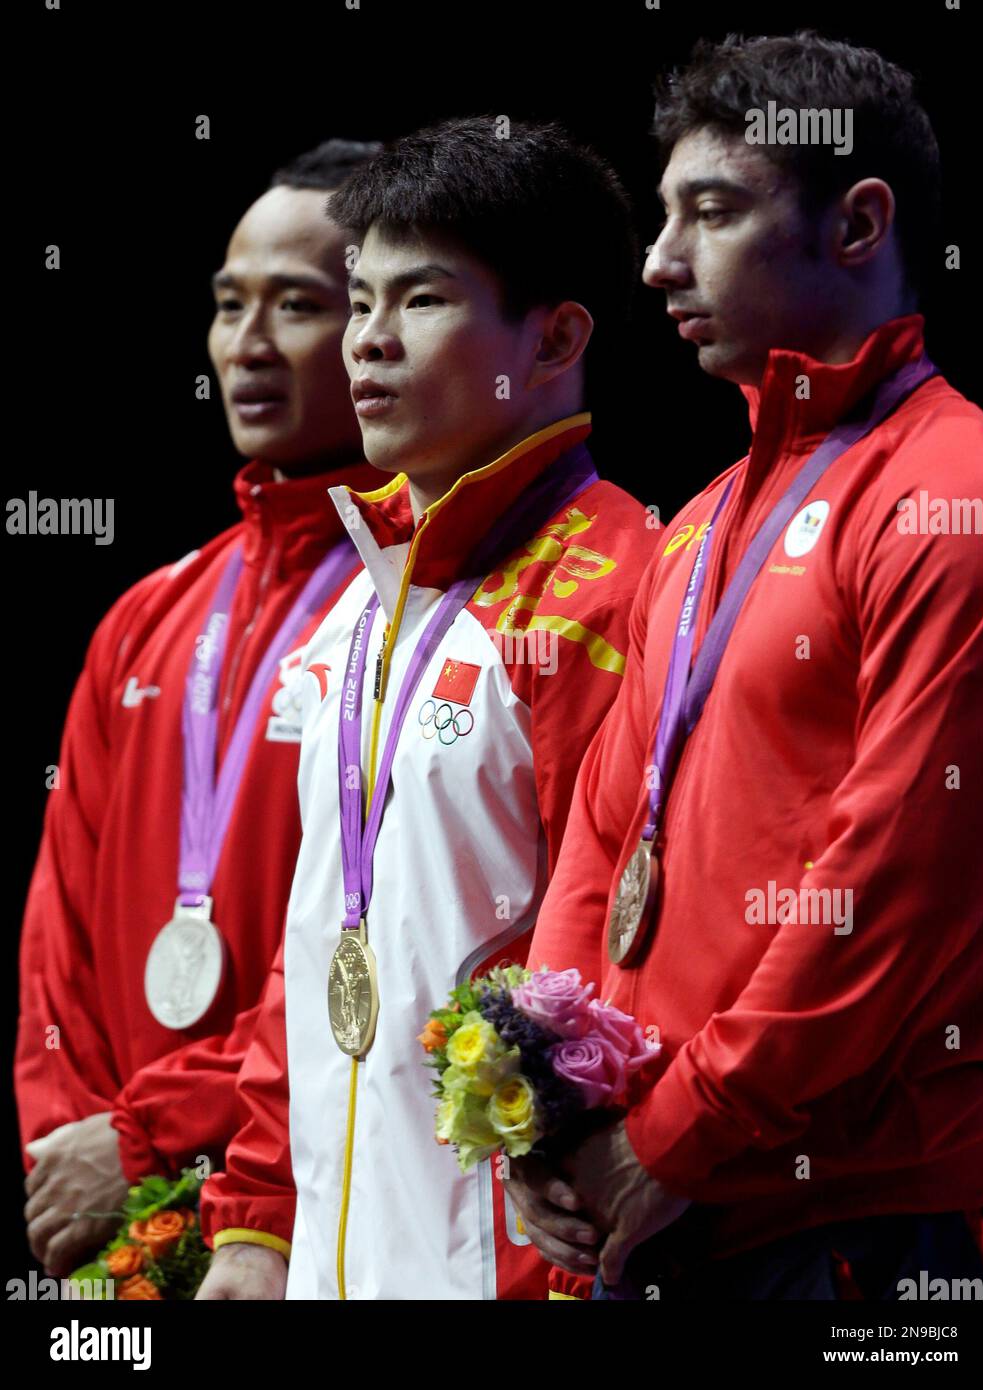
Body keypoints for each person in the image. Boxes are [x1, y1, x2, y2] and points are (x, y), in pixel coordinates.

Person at [507, 32, 983, 1300]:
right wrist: (548, 1110)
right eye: (663, 215)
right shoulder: (700, 522)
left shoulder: (963, 495)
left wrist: (675, 1134)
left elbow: (895, 889)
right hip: (659, 1202)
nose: (658, 260)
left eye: (713, 212)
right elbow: (600, 845)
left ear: (858, 224)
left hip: (845, 1221)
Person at [196, 115, 659, 1300]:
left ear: (554, 336)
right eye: (358, 301)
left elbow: (638, 965)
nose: (368, 344)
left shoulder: (620, 591)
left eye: (424, 301)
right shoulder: (359, 607)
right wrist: (255, 1222)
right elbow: (319, 944)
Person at [17, 138, 384, 1276]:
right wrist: (73, 1152)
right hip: (115, 1208)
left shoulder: (418, 617)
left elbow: (387, 952)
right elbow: (54, 950)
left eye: (298, 306)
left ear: (379, 327)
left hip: (321, 1198)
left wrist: (148, 1139)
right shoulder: (148, 613)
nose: (247, 346)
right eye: (230, 306)